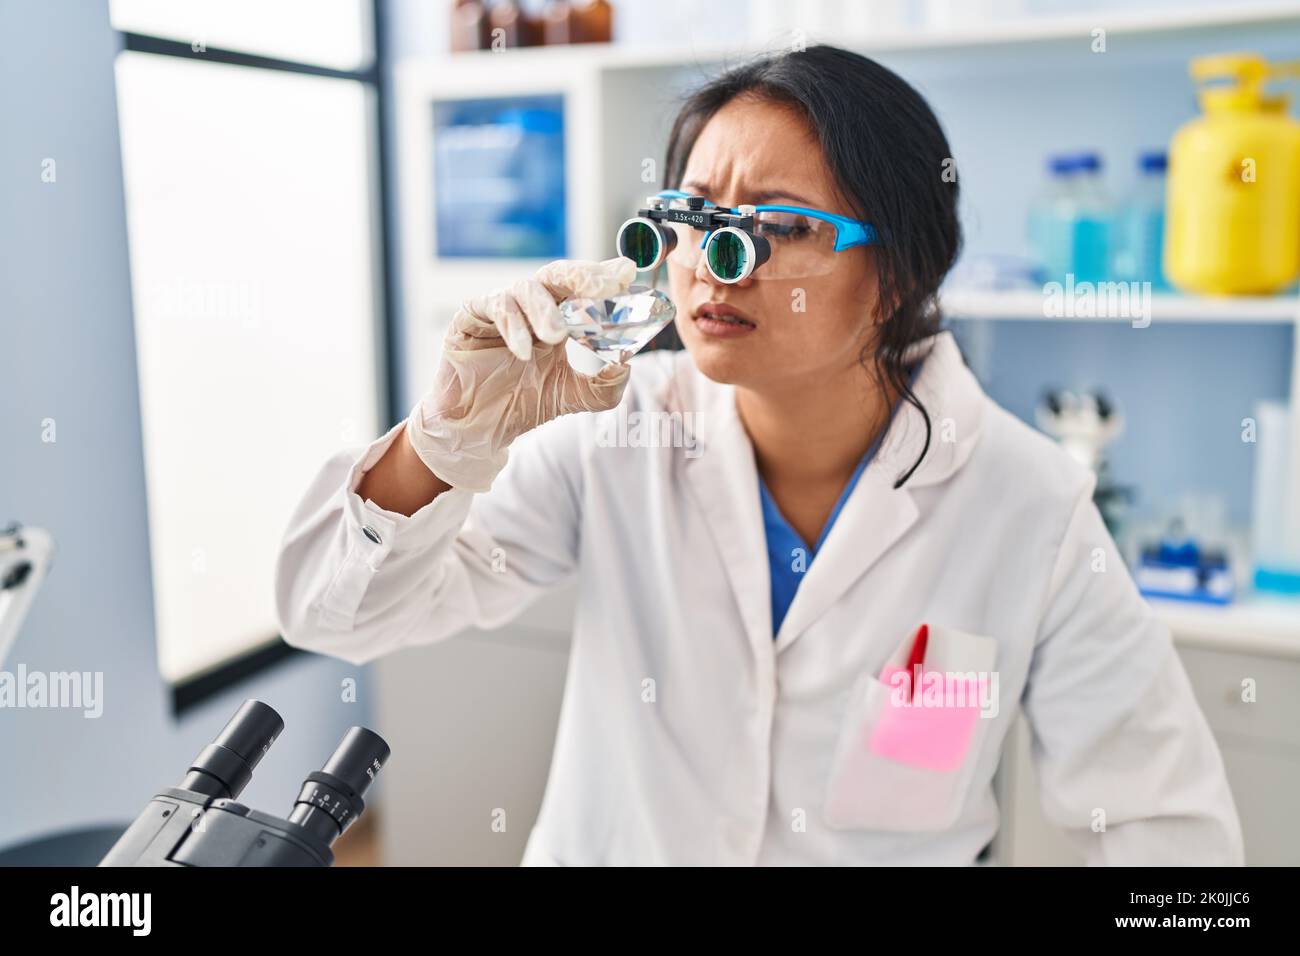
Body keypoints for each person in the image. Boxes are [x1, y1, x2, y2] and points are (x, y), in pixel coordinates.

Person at [274, 45, 1242, 865]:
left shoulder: (1028, 502)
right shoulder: (613, 431)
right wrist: (444, 438)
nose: (706, 262)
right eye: (691, 217)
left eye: (776, 226)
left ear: (895, 271)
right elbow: (330, 612)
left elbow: (1167, 826)